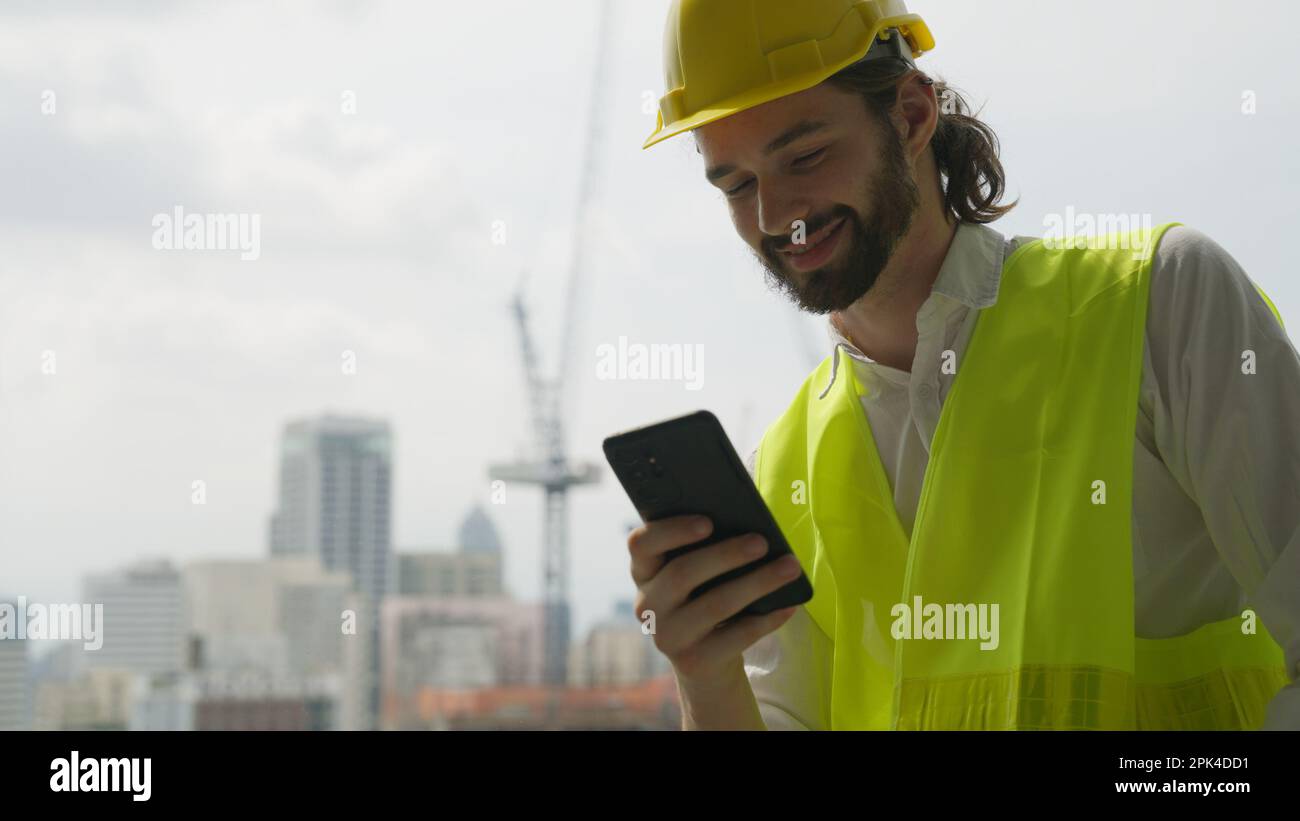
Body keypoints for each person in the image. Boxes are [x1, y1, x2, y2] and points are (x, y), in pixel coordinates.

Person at [627, 0, 1299, 730]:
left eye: (806, 155)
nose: (772, 214)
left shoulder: (1161, 304)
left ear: (912, 116)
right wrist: (706, 675)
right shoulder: (780, 473)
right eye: (736, 185)